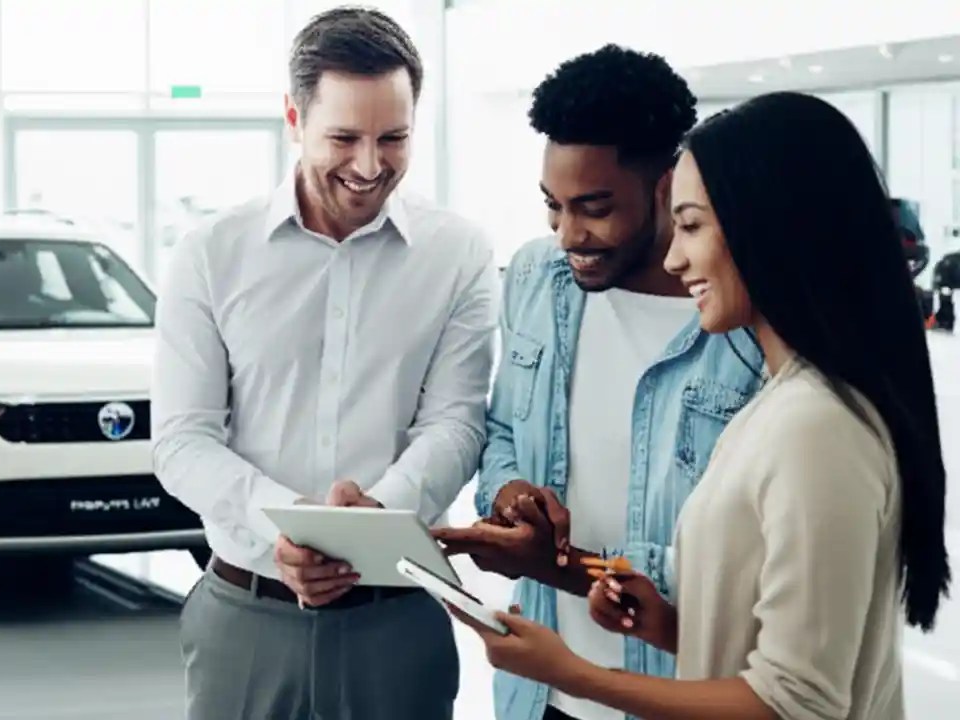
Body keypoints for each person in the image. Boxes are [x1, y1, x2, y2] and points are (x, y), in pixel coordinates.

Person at [453, 91, 951, 720]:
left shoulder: (817, 427)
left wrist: (573, 673)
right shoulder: (784, 404)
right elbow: (763, 646)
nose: (675, 256)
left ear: (766, 227)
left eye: (690, 225)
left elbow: (796, 702)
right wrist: (661, 623)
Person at [151, 7, 497, 720]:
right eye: (344, 137)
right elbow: (181, 441)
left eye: (393, 138)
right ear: (293, 117)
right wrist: (288, 526)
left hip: (397, 620)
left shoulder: (457, 253)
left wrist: (371, 520)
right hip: (245, 617)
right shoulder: (210, 254)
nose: (370, 167)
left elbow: (458, 424)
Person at [432, 45, 765, 720]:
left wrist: (553, 563)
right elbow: (503, 433)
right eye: (553, 206)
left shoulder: (743, 318)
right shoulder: (533, 279)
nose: (568, 234)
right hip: (541, 692)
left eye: (594, 207)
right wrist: (511, 496)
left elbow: (745, 554)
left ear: (668, 184)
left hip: (683, 692)